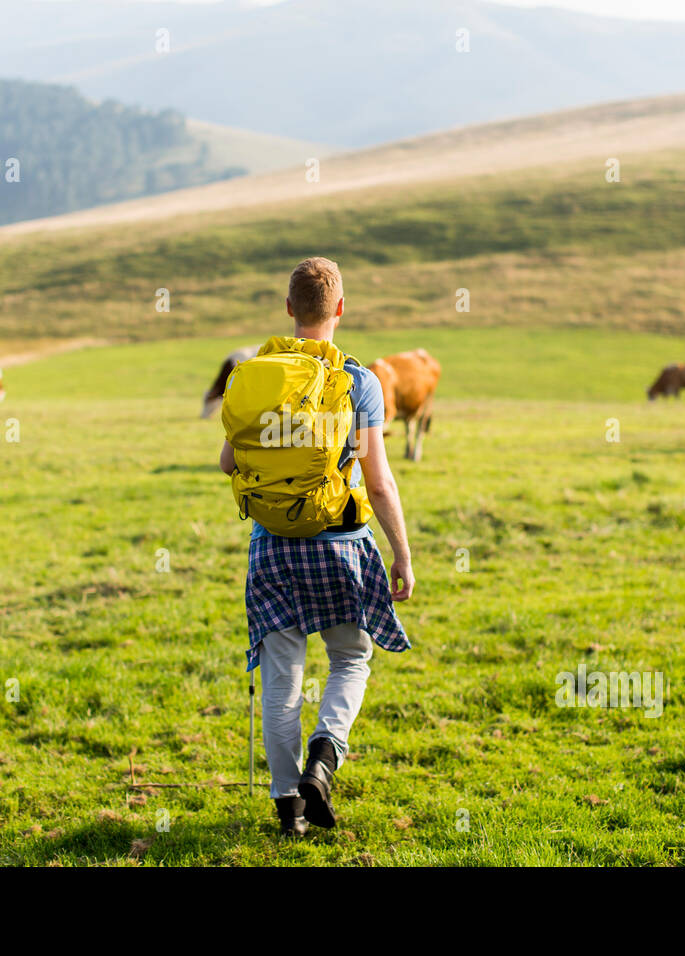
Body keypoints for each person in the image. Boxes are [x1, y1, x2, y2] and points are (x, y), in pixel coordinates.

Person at [218, 256, 415, 837]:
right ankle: (323, 760)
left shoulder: (254, 372)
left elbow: (226, 462)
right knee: (352, 655)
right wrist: (401, 553)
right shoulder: (359, 380)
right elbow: (378, 480)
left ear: (288, 309)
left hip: (273, 546)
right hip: (341, 544)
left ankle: (289, 810)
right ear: (340, 309)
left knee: (281, 677)